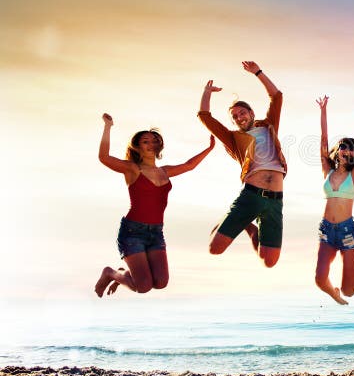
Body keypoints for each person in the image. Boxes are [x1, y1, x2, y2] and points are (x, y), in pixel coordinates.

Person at [94, 114, 215, 297]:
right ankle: (111, 273)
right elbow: (104, 157)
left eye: (154, 141)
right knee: (143, 286)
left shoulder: (165, 171)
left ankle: (125, 274)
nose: (151, 145)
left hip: (156, 232)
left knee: (161, 282)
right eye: (145, 142)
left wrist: (210, 148)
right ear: (137, 147)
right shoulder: (133, 169)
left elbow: (189, 165)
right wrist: (108, 126)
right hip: (133, 231)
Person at [198, 61, 287, 267]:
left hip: (275, 201)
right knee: (215, 248)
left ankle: (250, 227)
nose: (239, 117)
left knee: (269, 261)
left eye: (242, 113)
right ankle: (239, 219)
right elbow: (205, 117)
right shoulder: (233, 139)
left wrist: (258, 72)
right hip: (251, 196)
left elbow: (276, 96)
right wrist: (207, 93)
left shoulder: (269, 125)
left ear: (251, 113)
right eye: (235, 117)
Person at [314, 96, 354, 305]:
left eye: (351, 148)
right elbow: (324, 139)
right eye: (343, 146)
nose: (347, 150)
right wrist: (323, 110)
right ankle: (333, 294)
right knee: (319, 280)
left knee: (349, 291)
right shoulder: (328, 171)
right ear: (338, 150)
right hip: (326, 230)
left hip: (347, 232)